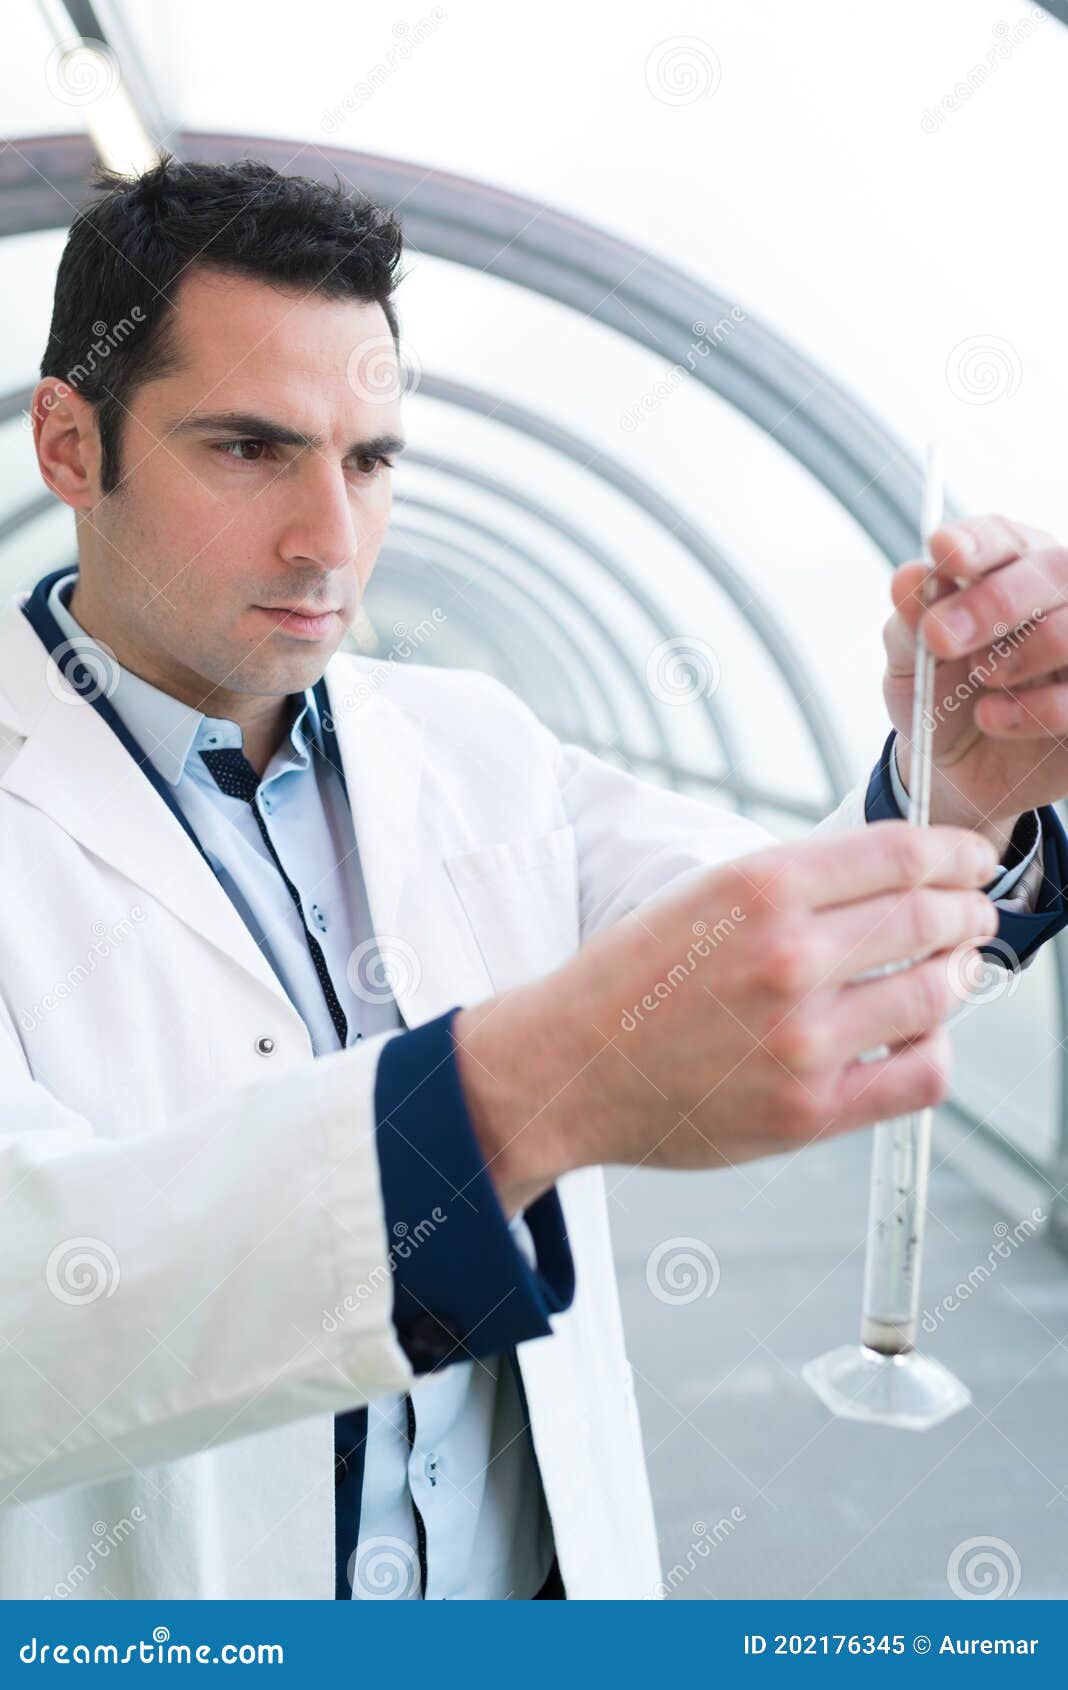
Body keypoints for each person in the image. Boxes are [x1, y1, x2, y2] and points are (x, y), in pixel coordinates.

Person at [1, 156, 1065, 1601]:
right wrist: (520, 1097)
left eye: (370, 459)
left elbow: (789, 968)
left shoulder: (472, 745)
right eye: (249, 449)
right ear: (71, 442)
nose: (331, 538)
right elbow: (35, 1310)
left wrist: (963, 788)